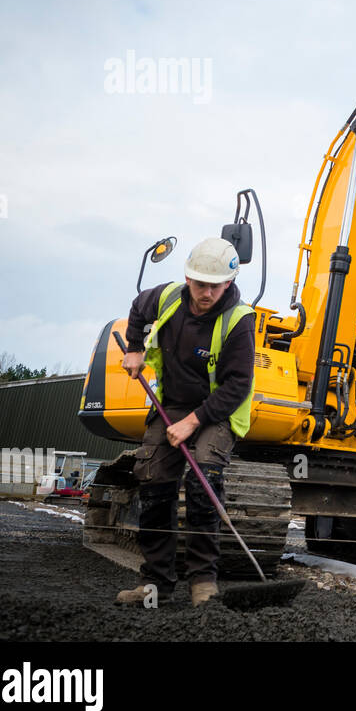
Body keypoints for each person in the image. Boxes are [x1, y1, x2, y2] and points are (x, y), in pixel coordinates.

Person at [113, 237, 255, 607]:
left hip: (216, 410)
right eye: (199, 283)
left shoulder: (239, 322)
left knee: (202, 482)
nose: (206, 292)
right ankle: (155, 583)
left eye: (214, 285)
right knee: (154, 481)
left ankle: (203, 582)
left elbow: (238, 384)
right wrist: (133, 348)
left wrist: (194, 422)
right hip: (172, 403)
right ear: (187, 277)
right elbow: (137, 308)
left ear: (229, 282)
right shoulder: (167, 297)